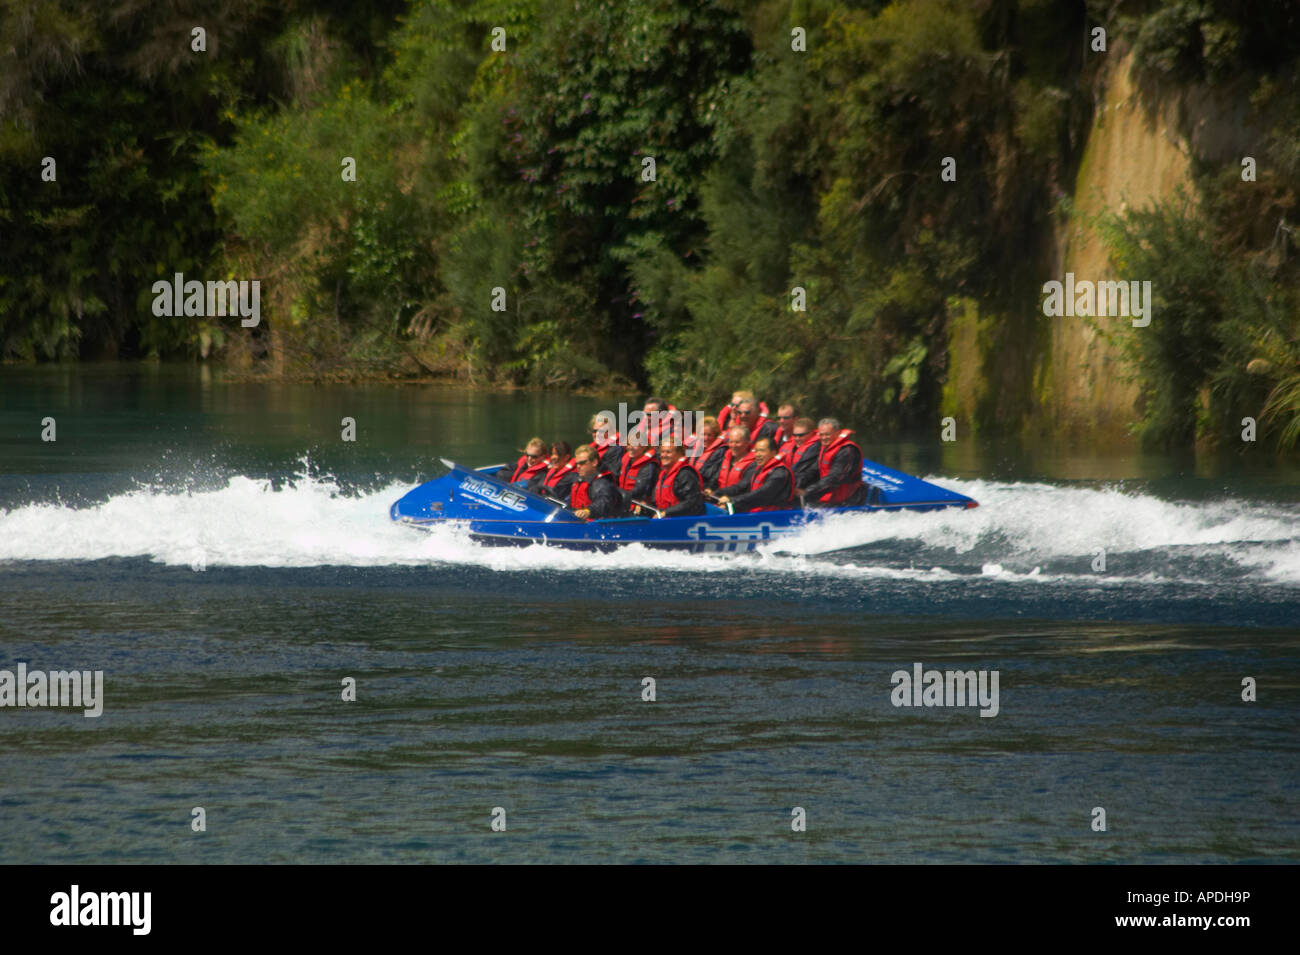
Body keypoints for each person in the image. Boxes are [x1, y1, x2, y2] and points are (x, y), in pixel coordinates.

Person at [798, 418, 866, 507]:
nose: (823, 438)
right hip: (831, 496)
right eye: (821, 435)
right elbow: (813, 470)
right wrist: (796, 484)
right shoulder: (825, 447)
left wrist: (809, 491)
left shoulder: (847, 451)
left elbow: (834, 478)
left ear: (837, 433)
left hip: (849, 499)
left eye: (827, 434)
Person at [716, 438, 794, 512]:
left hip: (774, 517)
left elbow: (761, 494)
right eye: (756, 451)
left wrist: (731, 500)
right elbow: (741, 486)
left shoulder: (780, 473)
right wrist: (716, 493)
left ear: (773, 452)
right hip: (756, 513)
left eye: (762, 451)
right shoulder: (758, 469)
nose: (758, 454)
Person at [650, 438, 705, 517]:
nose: (664, 455)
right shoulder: (663, 475)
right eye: (662, 452)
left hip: (680, 522)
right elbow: (655, 502)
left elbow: (691, 502)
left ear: (680, 454)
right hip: (664, 520)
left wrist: (666, 513)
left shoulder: (685, 474)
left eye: (668, 452)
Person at [569, 444, 620, 520]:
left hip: (594, 527)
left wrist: (588, 511)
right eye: (577, 464)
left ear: (594, 462)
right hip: (576, 523)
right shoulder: (578, 482)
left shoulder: (602, 483)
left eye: (582, 463)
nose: (578, 466)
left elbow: (603, 502)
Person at [616, 430, 658, 512]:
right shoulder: (625, 460)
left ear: (644, 446)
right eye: (628, 444)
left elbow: (642, 489)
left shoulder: (649, 466)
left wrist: (621, 494)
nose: (630, 447)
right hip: (623, 503)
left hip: (639, 507)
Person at [712, 426, 755, 495]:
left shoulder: (753, 463)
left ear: (747, 443)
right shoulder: (725, 456)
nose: (733, 445)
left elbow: (743, 486)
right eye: (731, 442)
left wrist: (718, 493)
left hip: (735, 501)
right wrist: (710, 488)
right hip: (717, 498)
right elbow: (715, 477)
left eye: (737, 442)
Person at [781, 416, 820, 489]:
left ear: (811, 433)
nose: (797, 438)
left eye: (801, 435)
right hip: (789, 483)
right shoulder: (790, 444)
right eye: (795, 435)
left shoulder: (815, 448)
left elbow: (801, 469)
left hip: (804, 488)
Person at [688, 416, 728, 488]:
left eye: (709, 435)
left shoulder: (721, 451)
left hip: (705, 488)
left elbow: (712, 476)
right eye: (703, 434)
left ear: (715, 435)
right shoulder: (692, 447)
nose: (705, 438)